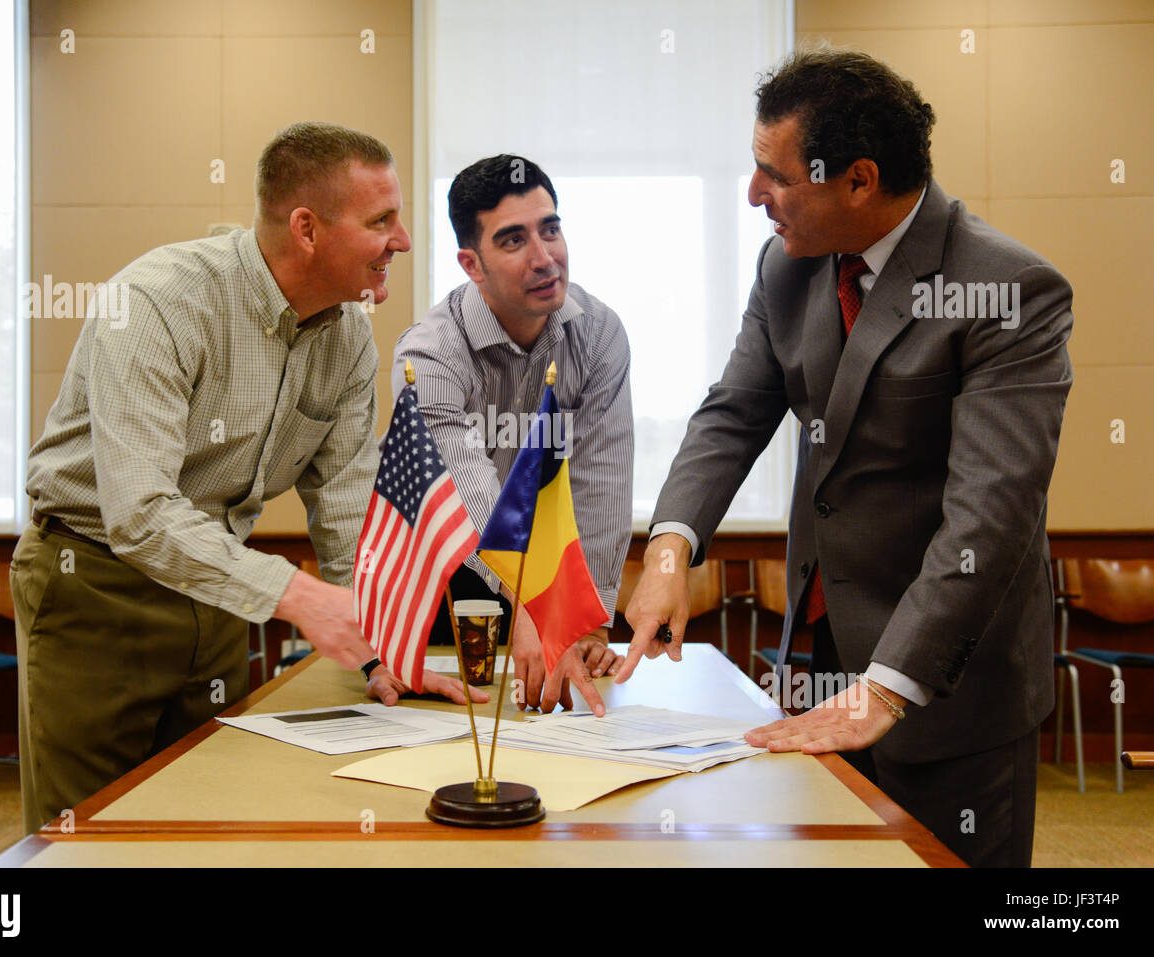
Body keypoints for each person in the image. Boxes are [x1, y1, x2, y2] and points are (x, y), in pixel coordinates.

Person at [617, 50, 1073, 867]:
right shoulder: (786, 266)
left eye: (774, 175)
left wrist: (892, 684)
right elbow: (733, 413)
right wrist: (668, 546)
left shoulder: (1009, 289)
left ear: (857, 179)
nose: (754, 196)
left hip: (945, 680)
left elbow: (992, 515)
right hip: (817, 659)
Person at [12, 122, 483, 834]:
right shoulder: (157, 303)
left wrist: (379, 643)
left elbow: (348, 508)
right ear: (306, 229)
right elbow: (138, 516)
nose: (404, 241)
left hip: (222, 592)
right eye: (381, 220)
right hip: (96, 587)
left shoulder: (350, 334)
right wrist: (300, 598)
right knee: (88, 836)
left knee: (206, 818)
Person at [392, 155, 632, 716]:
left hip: (551, 576)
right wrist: (529, 607)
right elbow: (471, 494)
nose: (545, 257)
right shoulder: (427, 352)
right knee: (453, 752)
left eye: (551, 229)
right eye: (513, 240)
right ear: (472, 264)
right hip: (448, 585)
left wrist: (586, 624)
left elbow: (600, 487)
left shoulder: (599, 336)